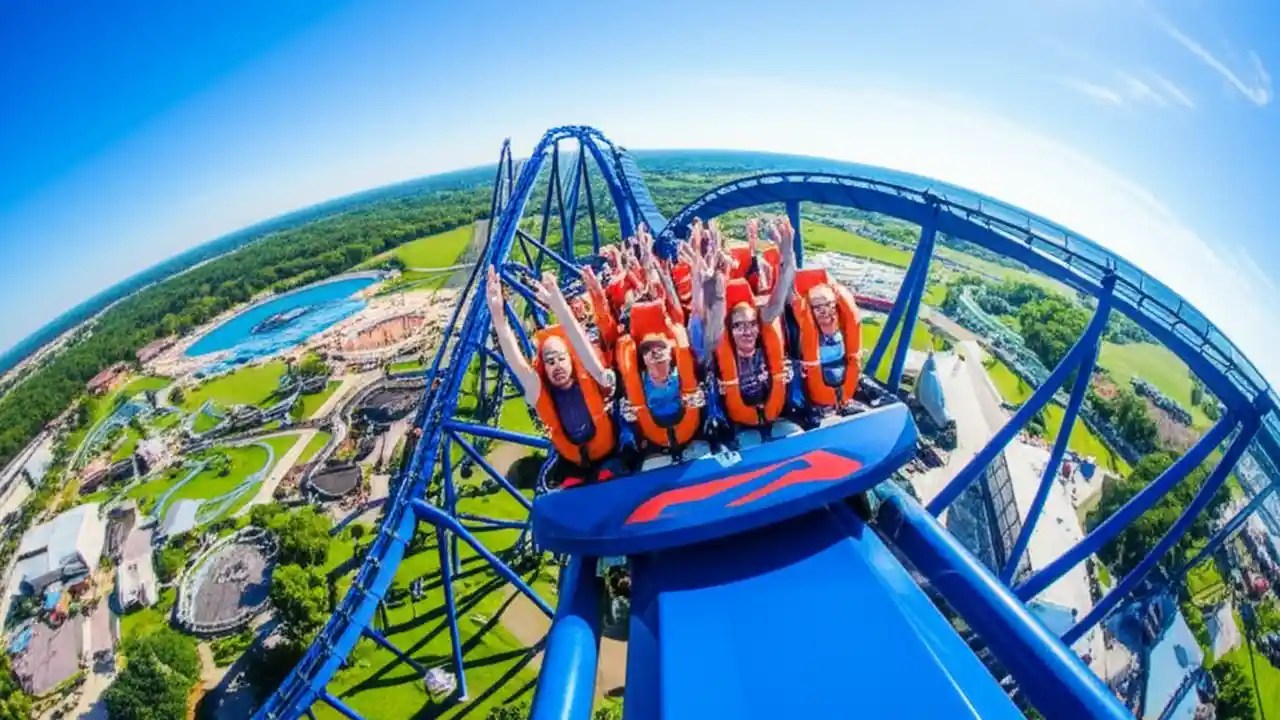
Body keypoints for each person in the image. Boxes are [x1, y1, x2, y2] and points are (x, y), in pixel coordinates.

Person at [485, 266, 615, 486]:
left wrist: (558, 305)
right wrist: (498, 316)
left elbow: (578, 340)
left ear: (571, 359)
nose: (557, 366)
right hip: (575, 463)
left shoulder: (594, 376)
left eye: (561, 359)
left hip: (612, 455)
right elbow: (516, 362)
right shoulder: (541, 389)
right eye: (550, 362)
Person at [705, 217, 802, 440]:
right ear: (730, 330)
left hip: (776, 414)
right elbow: (717, 308)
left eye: (751, 325)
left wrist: (787, 252)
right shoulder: (718, 344)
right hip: (737, 425)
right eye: (739, 327)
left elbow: (777, 302)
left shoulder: (764, 345)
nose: (747, 331)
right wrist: (716, 276)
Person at [789, 268, 862, 412]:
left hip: (845, 391)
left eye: (829, 305)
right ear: (810, 311)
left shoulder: (844, 329)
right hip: (815, 397)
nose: (824, 311)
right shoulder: (804, 332)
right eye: (817, 307)